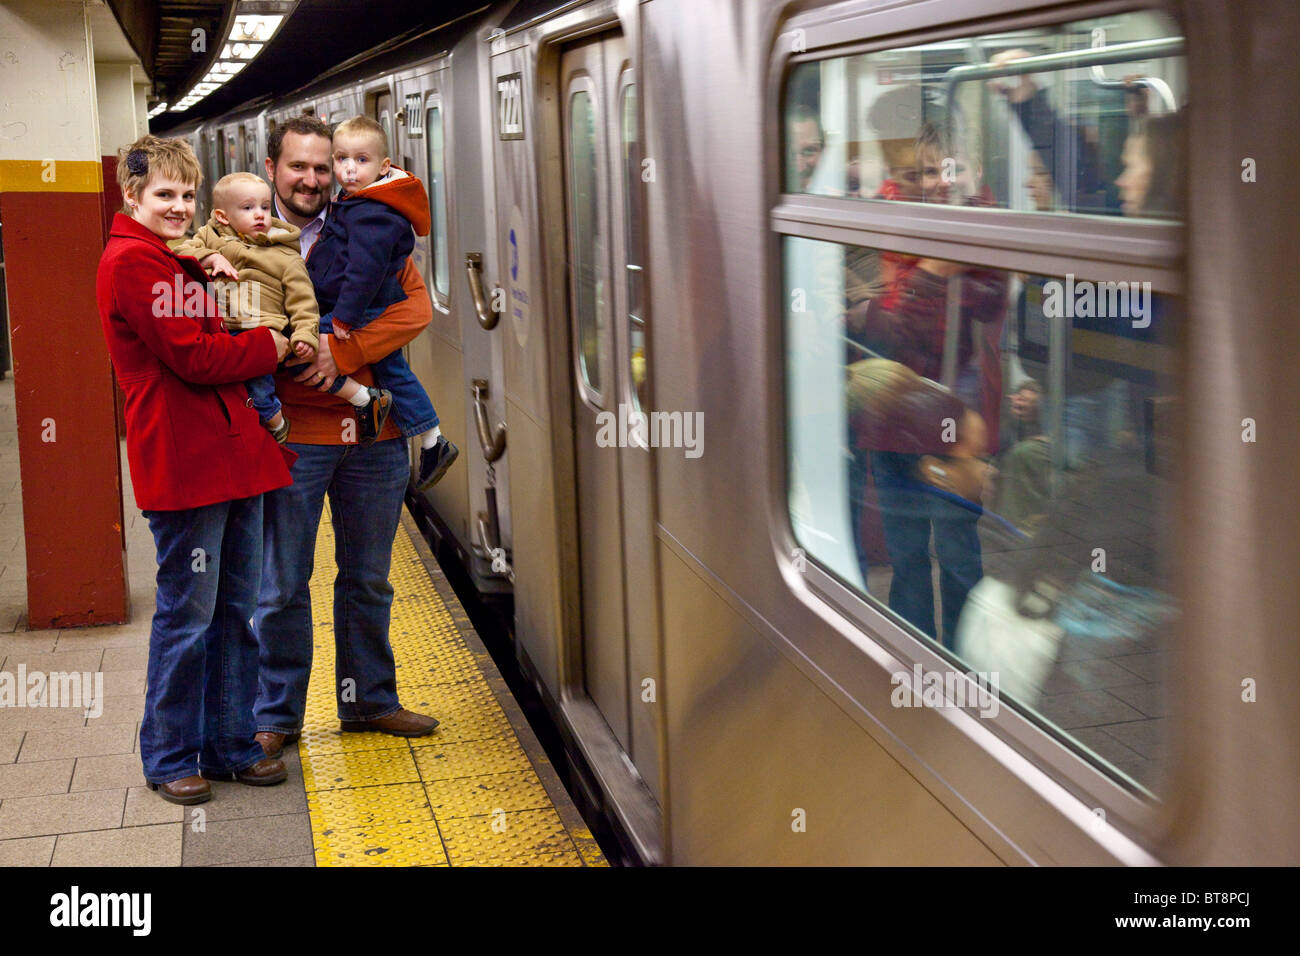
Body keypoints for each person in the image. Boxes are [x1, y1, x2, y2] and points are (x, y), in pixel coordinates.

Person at [96, 135, 292, 804]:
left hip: (233, 456)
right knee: (188, 615)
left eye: (187, 195)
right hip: (186, 463)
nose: (180, 207)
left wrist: (215, 290)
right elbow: (198, 359)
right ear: (132, 196)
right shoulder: (132, 265)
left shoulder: (168, 258)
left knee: (235, 611)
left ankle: (231, 744)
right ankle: (172, 754)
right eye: (165, 195)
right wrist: (267, 344)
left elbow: (212, 341)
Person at [252, 120, 440, 759]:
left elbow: (415, 310)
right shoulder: (248, 237)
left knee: (367, 577)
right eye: (297, 167)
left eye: (322, 167)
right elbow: (247, 333)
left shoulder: (366, 225)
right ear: (272, 167)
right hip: (293, 441)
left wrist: (341, 350)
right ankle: (276, 716)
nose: (311, 180)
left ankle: (369, 702)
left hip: (373, 436)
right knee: (282, 584)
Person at [847, 121, 1007, 645]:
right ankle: (915, 657)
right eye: (922, 172)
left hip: (954, 420)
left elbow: (992, 299)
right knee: (908, 555)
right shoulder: (882, 225)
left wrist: (945, 269)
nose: (937, 182)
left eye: (948, 170)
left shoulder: (978, 221)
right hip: (892, 421)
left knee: (960, 552)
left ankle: (964, 660)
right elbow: (890, 335)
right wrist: (938, 270)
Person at [306, 115, 458, 481]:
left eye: (361, 160)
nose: (349, 169)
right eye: (341, 159)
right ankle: (432, 438)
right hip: (361, 307)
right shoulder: (356, 202)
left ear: (384, 166)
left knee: (303, 345)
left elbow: (364, 272)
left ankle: (365, 400)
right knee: (393, 369)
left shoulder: (373, 212)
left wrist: (343, 318)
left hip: (362, 308)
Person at [172, 171, 319, 442]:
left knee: (259, 390)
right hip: (219, 332)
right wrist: (210, 256)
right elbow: (179, 254)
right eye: (248, 208)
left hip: (262, 334)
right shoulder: (209, 236)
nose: (260, 214)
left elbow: (303, 303)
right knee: (223, 394)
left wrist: (304, 334)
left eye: (264, 206)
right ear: (222, 217)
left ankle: (277, 424)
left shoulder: (285, 255)